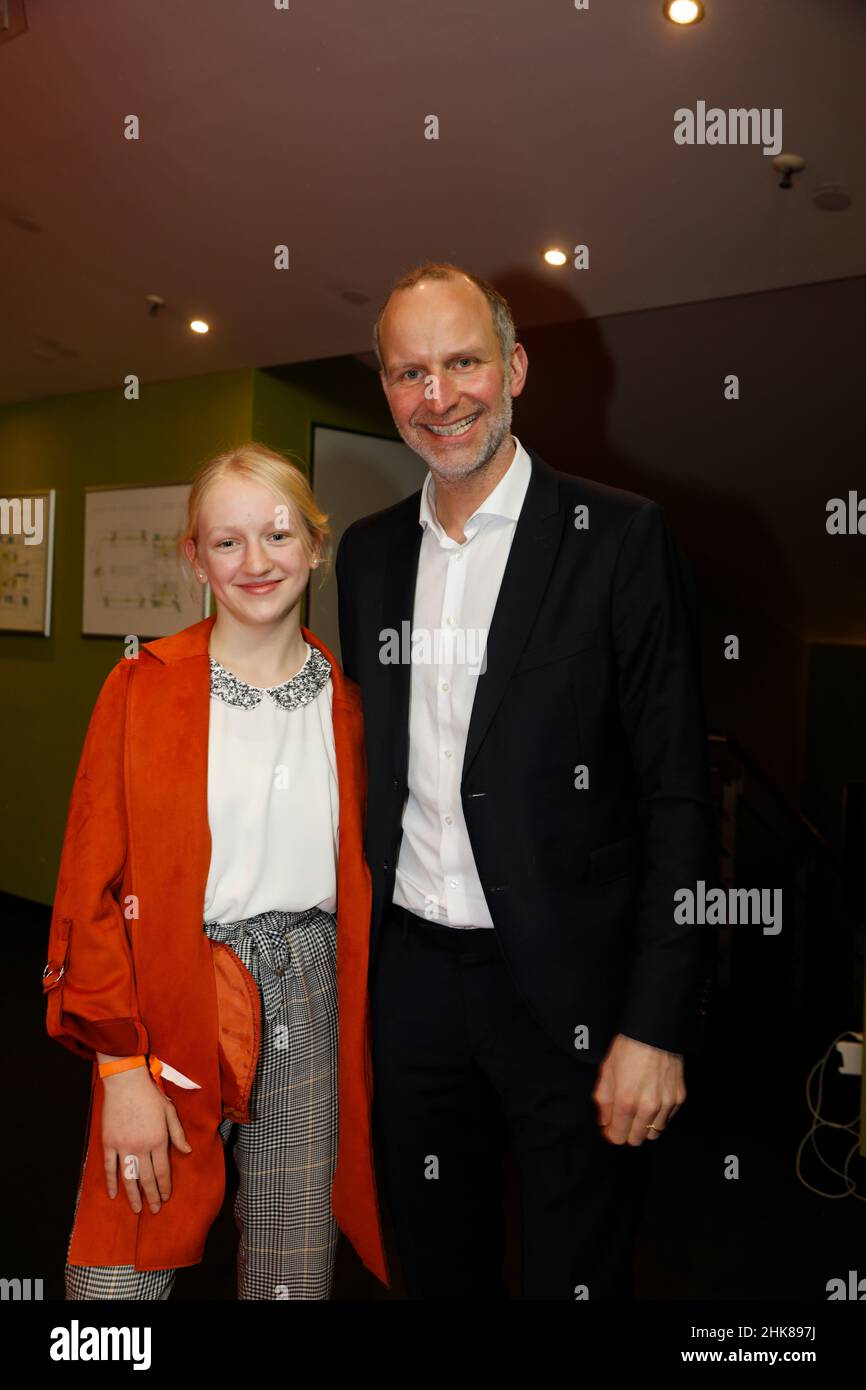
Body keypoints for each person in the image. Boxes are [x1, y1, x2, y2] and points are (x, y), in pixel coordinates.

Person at [335, 262, 713, 1300]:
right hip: (411, 983)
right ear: (385, 389)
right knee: (432, 1256)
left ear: (514, 366)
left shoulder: (619, 538)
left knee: (572, 1268)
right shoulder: (366, 559)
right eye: (409, 371)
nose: (438, 395)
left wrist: (655, 1024)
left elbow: (678, 795)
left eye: (462, 361)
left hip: (570, 988)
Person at [43, 443, 388, 1299]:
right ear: (194, 557)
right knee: (120, 1272)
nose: (255, 562)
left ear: (315, 545)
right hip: (173, 997)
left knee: (290, 1270)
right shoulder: (140, 688)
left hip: (309, 994)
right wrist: (120, 1069)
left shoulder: (350, 706)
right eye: (225, 542)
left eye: (277, 535)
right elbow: (87, 890)